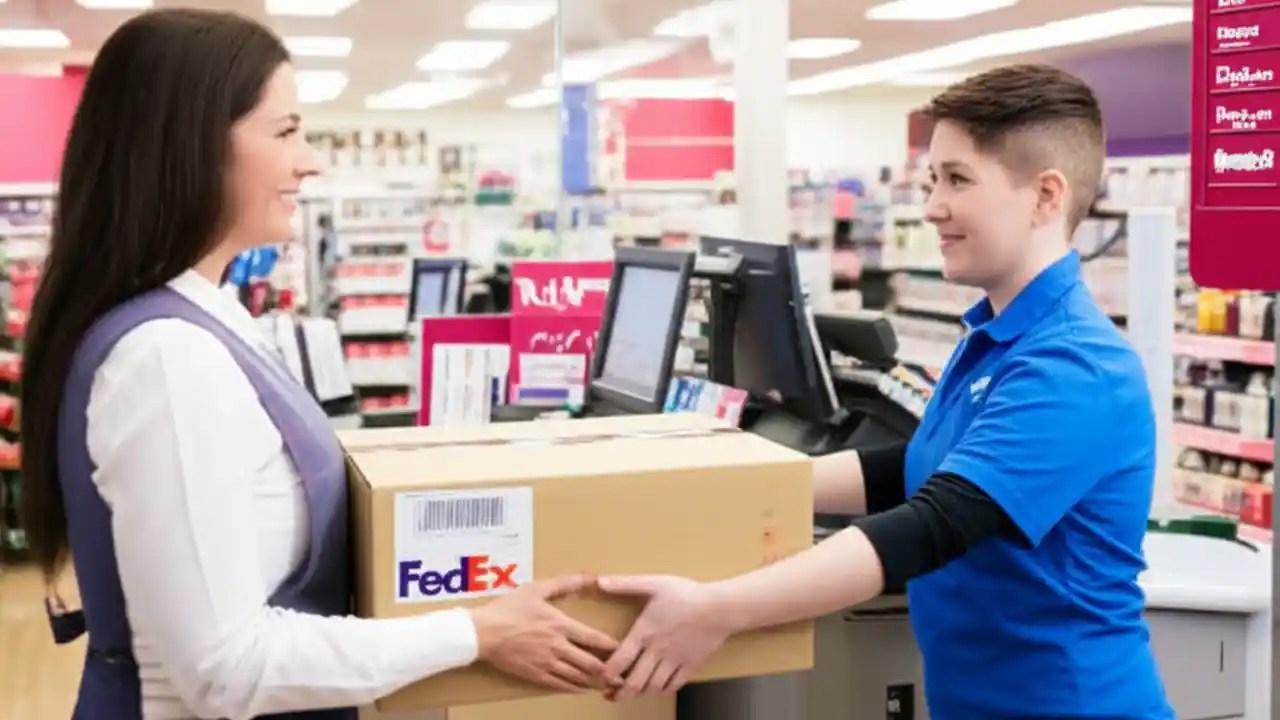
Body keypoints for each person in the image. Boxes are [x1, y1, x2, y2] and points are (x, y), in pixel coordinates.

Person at [19, 9, 614, 720]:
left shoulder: (204, 315)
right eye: (286, 131)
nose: (310, 160)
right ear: (194, 145)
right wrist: (477, 633)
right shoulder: (167, 358)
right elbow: (225, 671)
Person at [597, 64, 1176, 719]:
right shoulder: (997, 333)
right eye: (933, 179)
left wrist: (717, 610)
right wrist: (741, 482)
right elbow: (916, 465)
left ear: (1046, 196)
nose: (932, 206)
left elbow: (936, 523)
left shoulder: (1076, 365)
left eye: (958, 179)